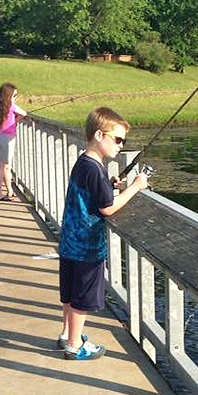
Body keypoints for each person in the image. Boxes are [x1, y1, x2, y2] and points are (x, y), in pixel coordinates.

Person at [58, 107, 149, 361]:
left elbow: (92, 194)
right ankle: (75, 346)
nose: (121, 145)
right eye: (117, 139)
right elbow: (107, 208)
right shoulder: (96, 170)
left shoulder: (84, 162)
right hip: (87, 247)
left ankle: (67, 334)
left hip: (69, 243)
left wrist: (109, 186)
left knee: (70, 291)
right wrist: (135, 187)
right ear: (99, 135)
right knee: (82, 298)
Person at [0, 83, 27, 202]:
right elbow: (24, 113)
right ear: (9, 96)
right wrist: (15, 120)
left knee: (5, 166)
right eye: (15, 95)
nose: (16, 98)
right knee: (1, 166)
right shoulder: (12, 106)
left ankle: (10, 191)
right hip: (8, 139)